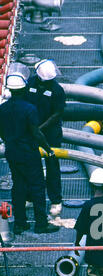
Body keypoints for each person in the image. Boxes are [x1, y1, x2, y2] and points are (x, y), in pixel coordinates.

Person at [0, 70, 60, 235]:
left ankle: (20, 223)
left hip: (12, 152)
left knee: (18, 186)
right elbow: (36, 133)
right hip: (29, 152)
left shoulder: (2, 109)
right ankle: (41, 223)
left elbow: (2, 132)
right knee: (37, 186)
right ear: (23, 88)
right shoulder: (29, 109)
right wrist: (48, 149)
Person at [26, 59, 66, 217]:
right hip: (31, 132)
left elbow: (58, 113)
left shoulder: (57, 90)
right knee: (31, 164)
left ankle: (56, 200)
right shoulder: (30, 85)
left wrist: (40, 128)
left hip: (50, 135)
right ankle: (29, 196)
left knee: (52, 167)